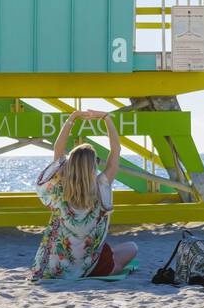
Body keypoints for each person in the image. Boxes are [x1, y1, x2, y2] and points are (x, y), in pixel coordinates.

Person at [30, 109, 137, 280]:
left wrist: (72, 118)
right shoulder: (101, 186)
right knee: (132, 248)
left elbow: (58, 149)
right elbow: (116, 150)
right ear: (93, 166)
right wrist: (106, 118)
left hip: (57, 264)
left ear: (70, 164)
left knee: (118, 250)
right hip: (89, 263)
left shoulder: (59, 188)